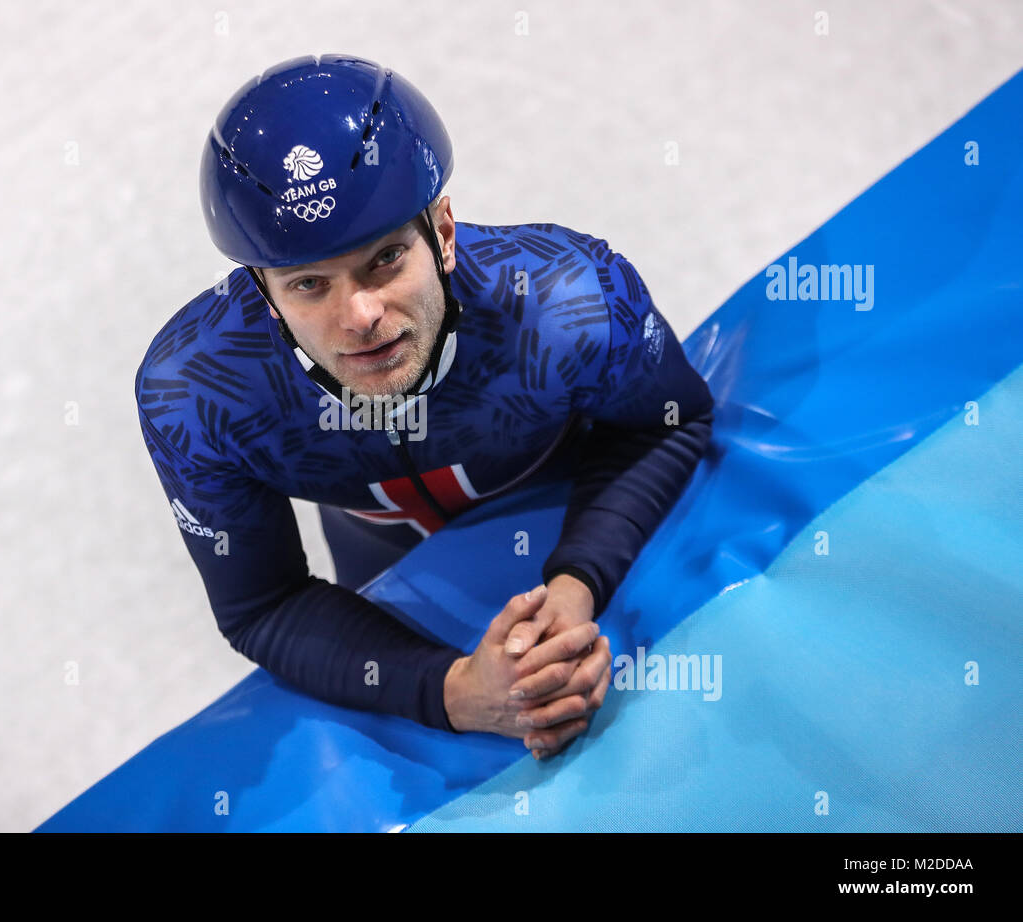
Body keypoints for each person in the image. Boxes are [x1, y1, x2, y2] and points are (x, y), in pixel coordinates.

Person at [136, 54, 714, 758]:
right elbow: (263, 605)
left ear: (442, 231)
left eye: (384, 259)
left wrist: (576, 586)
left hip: (583, 531)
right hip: (392, 594)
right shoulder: (196, 397)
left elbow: (670, 422)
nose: (361, 316)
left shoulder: (569, 305)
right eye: (309, 285)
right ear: (262, 292)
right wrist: (454, 693)